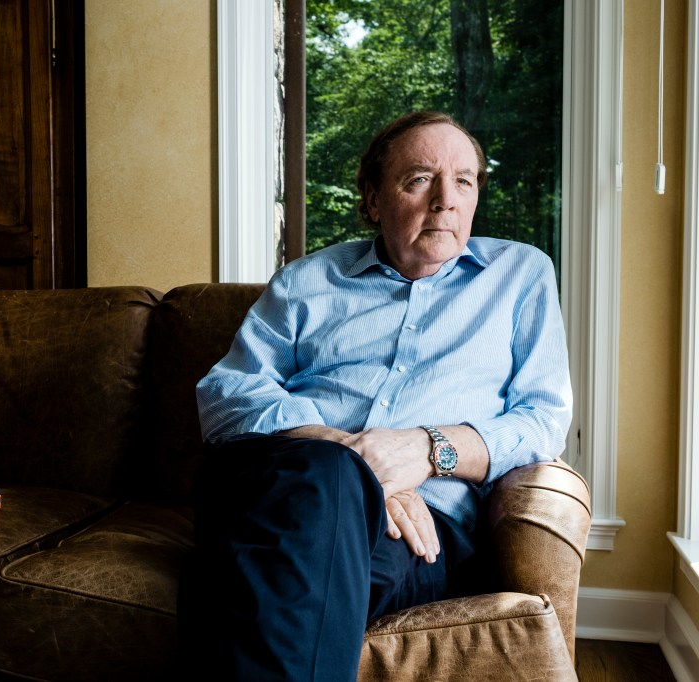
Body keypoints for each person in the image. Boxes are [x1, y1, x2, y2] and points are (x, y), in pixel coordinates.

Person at [178, 111, 573, 681]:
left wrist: (426, 448)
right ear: (372, 199)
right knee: (322, 487)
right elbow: (226, 392)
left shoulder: (519, 276)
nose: (446, 200)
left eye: (464, 180)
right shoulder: (305, 282)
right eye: (419, 179)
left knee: (257, 569)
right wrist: (348, 460)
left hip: (412, 530)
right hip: (279, 479)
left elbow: (543, 419)